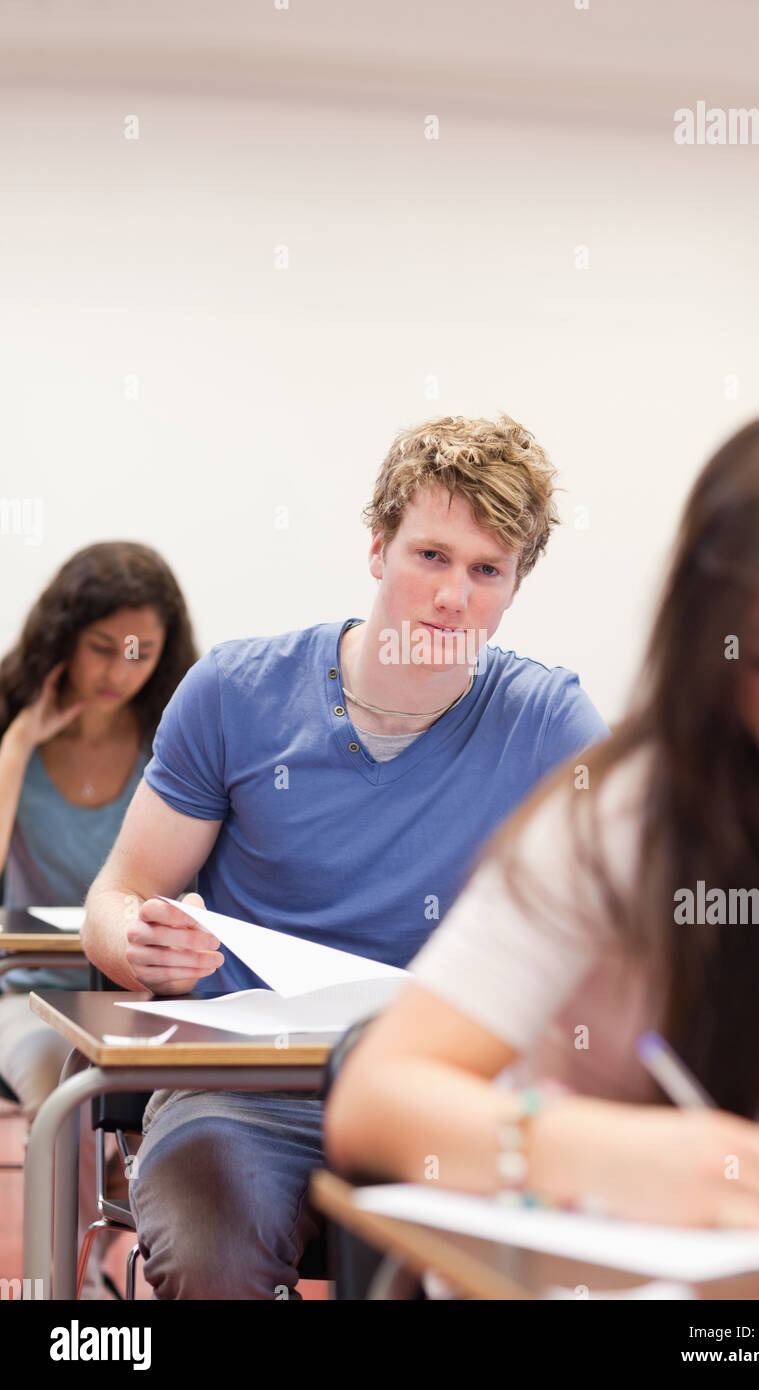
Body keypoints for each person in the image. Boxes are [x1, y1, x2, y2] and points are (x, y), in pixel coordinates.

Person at [82, 413, 609, 1298]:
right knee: (213, 1257)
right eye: (431, 556)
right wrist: (138, 941)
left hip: (443, 1093)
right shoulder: (233, 694)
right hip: (241, 1095)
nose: (454, 596)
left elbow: (632, 921)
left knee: (516, 1262)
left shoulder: (548, 722)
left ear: (515, 585)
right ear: (377, 549)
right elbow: (117, 894)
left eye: (487, 571)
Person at [325, 400, 759, 1234]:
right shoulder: (621, 819)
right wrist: (597, 1153)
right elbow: (376, 1102)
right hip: (580, 1240)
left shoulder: (547, 714)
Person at [0, 540, 197, 1294]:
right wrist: (19, 742)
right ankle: (73, 1292)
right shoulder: (11, 725)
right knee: (68, 1085)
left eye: (141, 651)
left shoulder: (172, 741)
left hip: (139, 996)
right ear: (62, 639)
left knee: (191, 1104)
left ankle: (140, 1272)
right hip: (32, 996)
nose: (120, 670)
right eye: (101, 648)